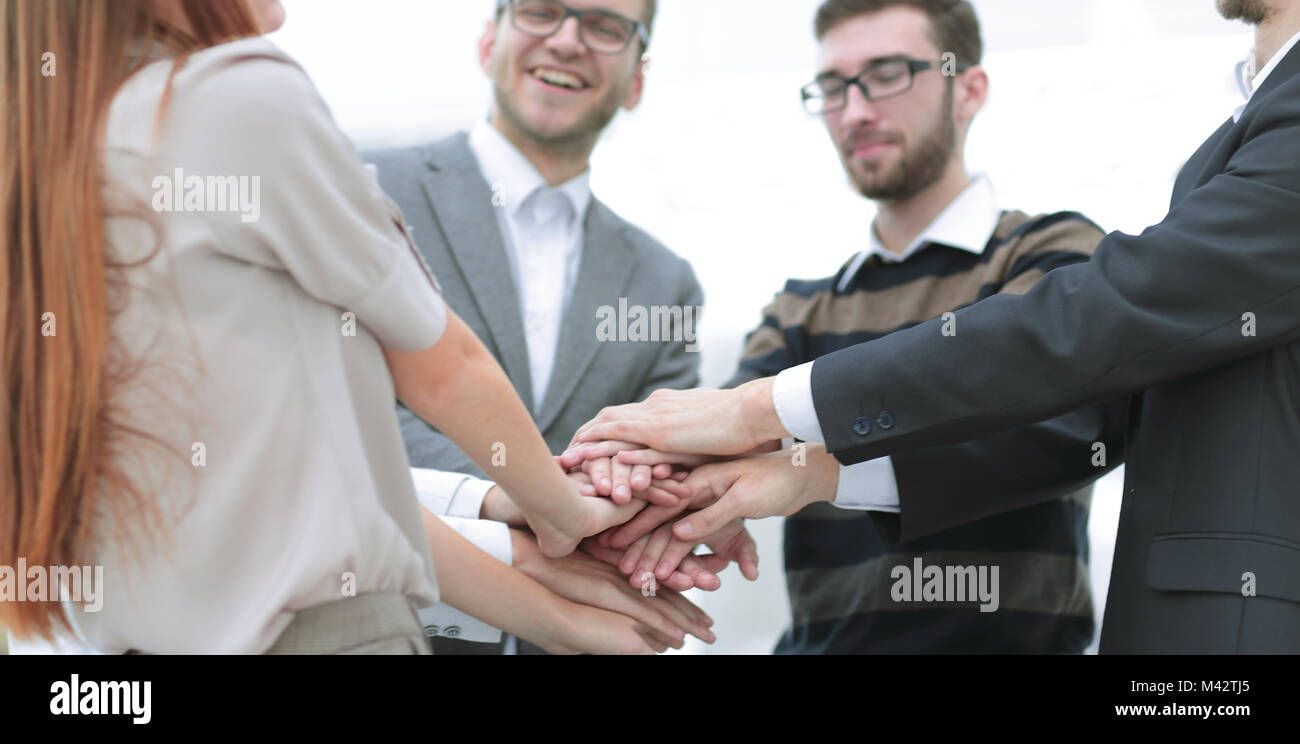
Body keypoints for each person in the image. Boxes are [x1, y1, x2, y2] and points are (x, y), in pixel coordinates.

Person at [566, 0, 1300, 653]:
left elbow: (1071, 425)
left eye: (887, 75)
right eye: (833, 87)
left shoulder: (1052, 256)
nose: (856, 110)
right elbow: (710, 445)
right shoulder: (800, 307)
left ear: (968, 88)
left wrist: (799, 459)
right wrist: (642, 475)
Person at [1, 0, 661, 655]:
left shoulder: (42, 157)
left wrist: (554, 614)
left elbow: (330, 492)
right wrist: (564, 514)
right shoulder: (234, 98)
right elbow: (445, 368)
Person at [364, 0, 737, 653]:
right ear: (488, 42)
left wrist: (631, 508)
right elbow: (344, 403)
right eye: (541, 12)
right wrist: (538, 499)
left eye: (604, 26)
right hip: (385, 623)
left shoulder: (664, 282)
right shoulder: (368, 188)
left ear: (637, 81)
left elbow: (661, 453)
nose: (567, 40)